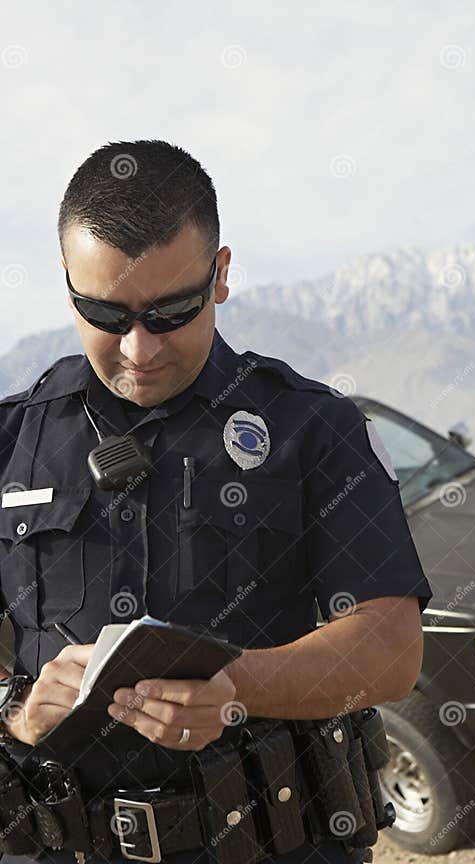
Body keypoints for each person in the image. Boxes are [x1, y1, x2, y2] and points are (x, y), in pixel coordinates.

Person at [0, 139, 433, 864]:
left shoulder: (311, 428)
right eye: (106, 314)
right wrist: (16, 712)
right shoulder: (12, 441)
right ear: (68, 284)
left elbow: (390, 648)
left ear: (221, 274)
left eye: (170, 312)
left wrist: (236, 686)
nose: (139, 350)